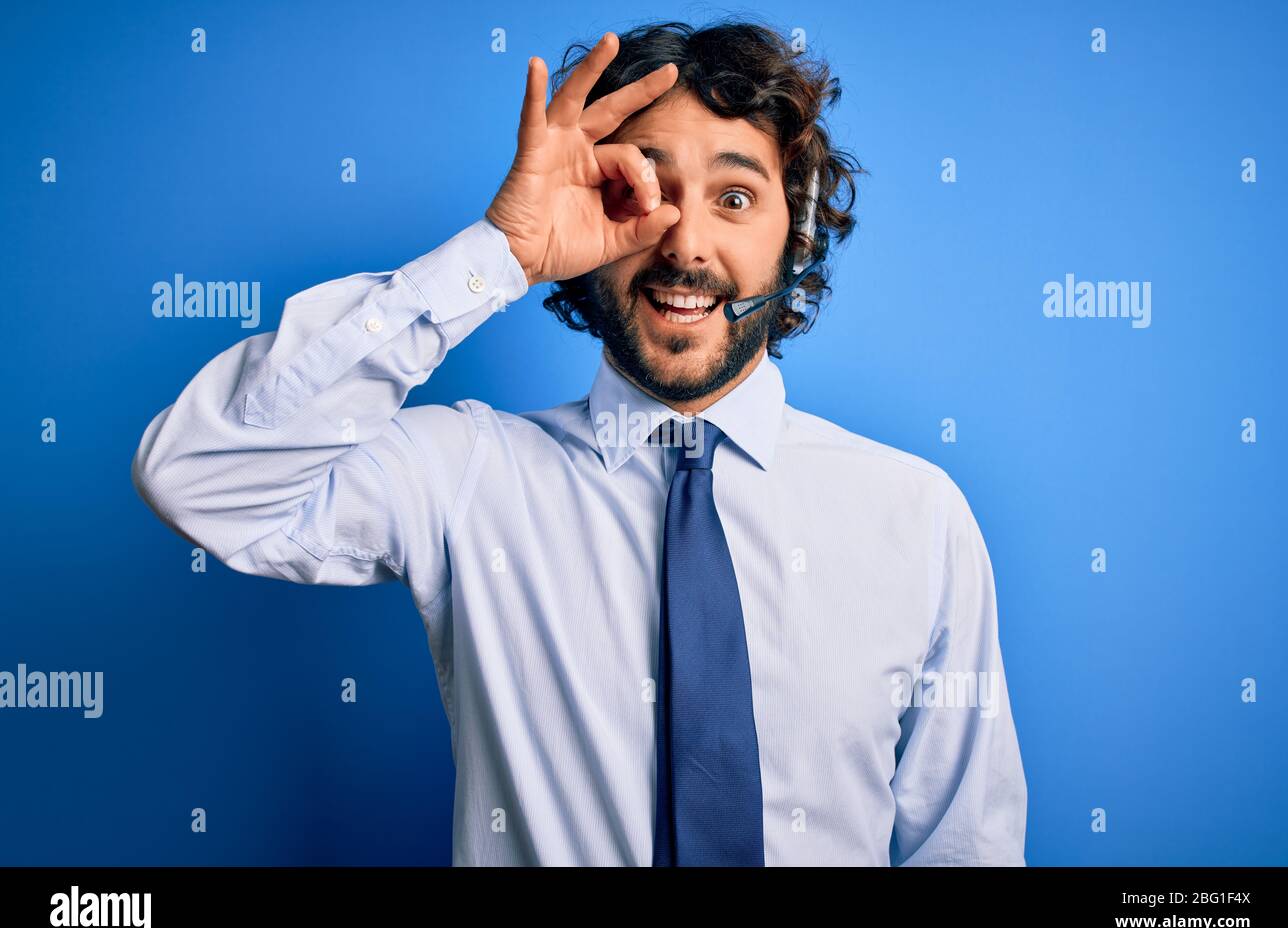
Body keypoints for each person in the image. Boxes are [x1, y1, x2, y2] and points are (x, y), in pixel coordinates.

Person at [132, 20, 1027, 866]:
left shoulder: (918, 517)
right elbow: (201, 480)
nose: (685, 241)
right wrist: (499, 254)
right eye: (642, 188)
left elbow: (967, 847)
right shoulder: (467, 476)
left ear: (793, 235)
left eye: (735, 197)